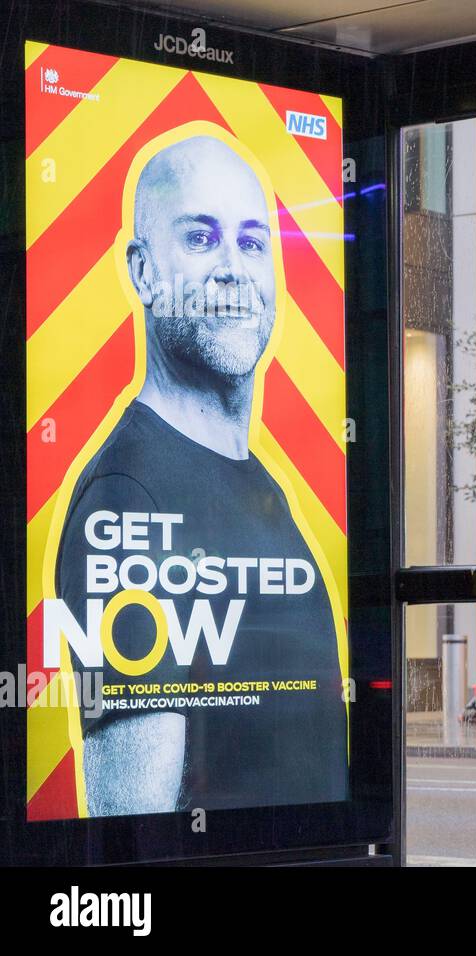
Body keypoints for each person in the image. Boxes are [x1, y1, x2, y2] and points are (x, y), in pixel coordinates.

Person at [55, 134, 347, 816]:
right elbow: (135, 831)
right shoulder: (125, 501)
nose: (233, 270)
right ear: (144, 271)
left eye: (251, 243)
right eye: (199, 238)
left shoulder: (261, 482)